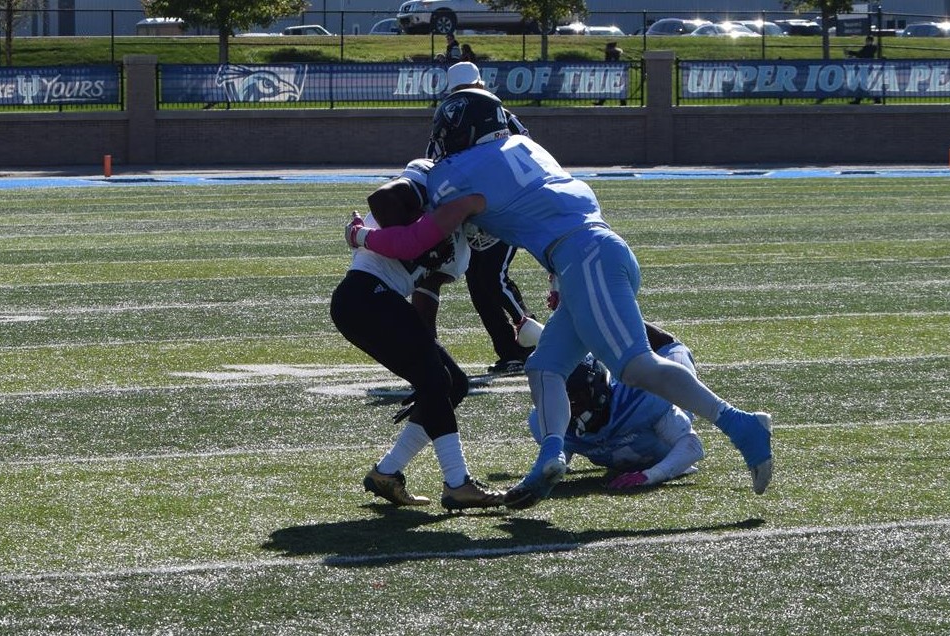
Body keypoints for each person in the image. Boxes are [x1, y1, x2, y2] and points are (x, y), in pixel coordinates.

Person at [345, 89, 774, 510]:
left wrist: (360, 235)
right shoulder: (530, 148)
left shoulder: (457, 173)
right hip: (592, 252)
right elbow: (550, 204)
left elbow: (414, 239)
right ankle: (549, 459)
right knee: (545, 367)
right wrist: (558, 277)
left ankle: (740, 423)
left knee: (635, 364)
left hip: (583, 256)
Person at [331, 158, 505, 512]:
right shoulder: (427, 189)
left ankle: (387, 472)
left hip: (378, 301)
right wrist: (410, 232)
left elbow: (426, 296)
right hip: (363, 294)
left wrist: (425, 361)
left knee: (453, 384)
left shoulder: (459, 250)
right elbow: (381, 199)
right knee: (436, 382)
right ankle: (458, 483)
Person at [526, 322, 705, 489]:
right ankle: (587, 320)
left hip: (666, 379)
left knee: (671, 357)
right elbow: (561, 452)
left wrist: (651, 475)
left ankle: (606, 317)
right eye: (564, 398)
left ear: (596, 389)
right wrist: (550, 467)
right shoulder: (548, 419)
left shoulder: (641, 399)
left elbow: (692, 446)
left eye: (577, 398)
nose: (571, 407)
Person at [446, 61, 539, 375]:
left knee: (493, 279)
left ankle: (533, 340)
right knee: (480, 284)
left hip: (501, 206)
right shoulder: (455, 117)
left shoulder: (498, 116)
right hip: (475, 210)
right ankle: (510, 351)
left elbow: (524, 154)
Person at [846, 35, 881, 104]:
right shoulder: (870, 48)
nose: (866, 42)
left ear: (871, 41)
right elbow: (861, 54)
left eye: (868, 41)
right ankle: (875, 99)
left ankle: (860, 99)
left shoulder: (870, 48)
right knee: (864, 84)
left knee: (863, 84)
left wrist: (850, 52)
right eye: (866, 41)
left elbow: (860, 54)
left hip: (867, 68)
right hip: (866, 68)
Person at [594, 42, 626, 106]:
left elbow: (608, 62)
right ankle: (622, 103)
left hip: (613, 72)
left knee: (608, 87)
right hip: (615, 72)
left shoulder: (611, 54)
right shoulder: (615, 53)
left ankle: (601, 102)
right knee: (612, 87)